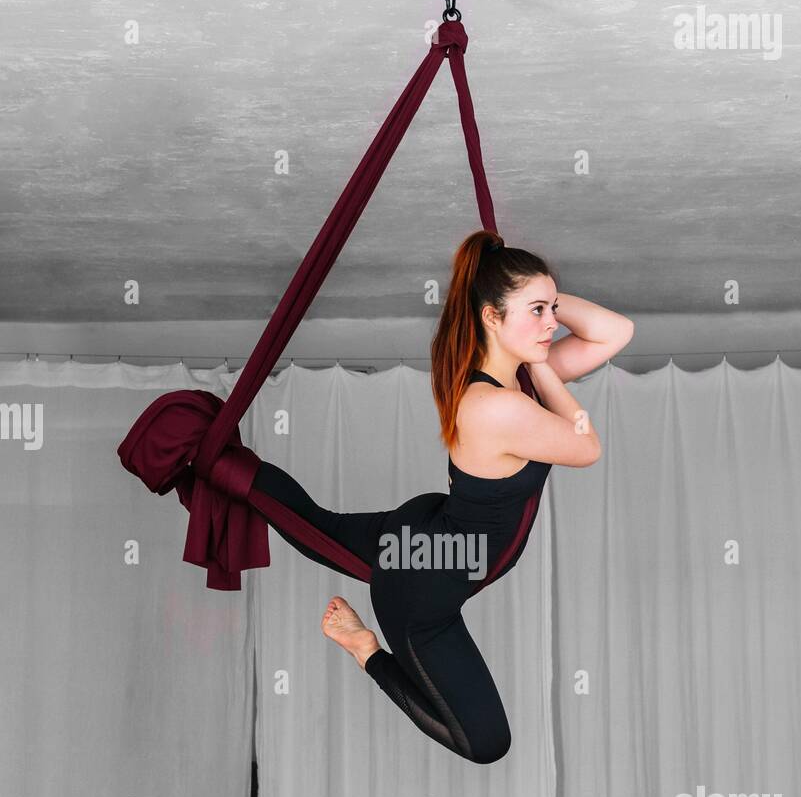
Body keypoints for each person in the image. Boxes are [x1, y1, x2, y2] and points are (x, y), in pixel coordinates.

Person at [250, 229, 633, 761]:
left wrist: (532, 302)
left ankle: (227, 467)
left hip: (432, 541)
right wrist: (543, 361)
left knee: (319, 528)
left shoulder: (506, 383)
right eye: (538, 311)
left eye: (552, 309)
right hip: (425, 583)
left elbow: (617, 331)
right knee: (485, 744)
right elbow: (586, 445)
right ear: (491, 317)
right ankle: (366, 650)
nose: (551, 323)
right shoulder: (500, 405)